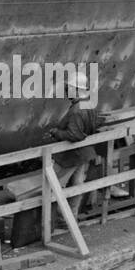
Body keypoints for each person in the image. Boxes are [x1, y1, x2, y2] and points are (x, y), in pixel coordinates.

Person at [45, 72, 102, 216]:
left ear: (76, 89)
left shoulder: (77, 110)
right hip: (84, 153)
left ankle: (55, 217)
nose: (65, 90)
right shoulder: (90, 103)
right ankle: (71, 216)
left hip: (72, 155)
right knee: (77, 183)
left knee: (51, 184)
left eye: (68, 87)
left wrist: (56, 132)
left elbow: (74, 135)